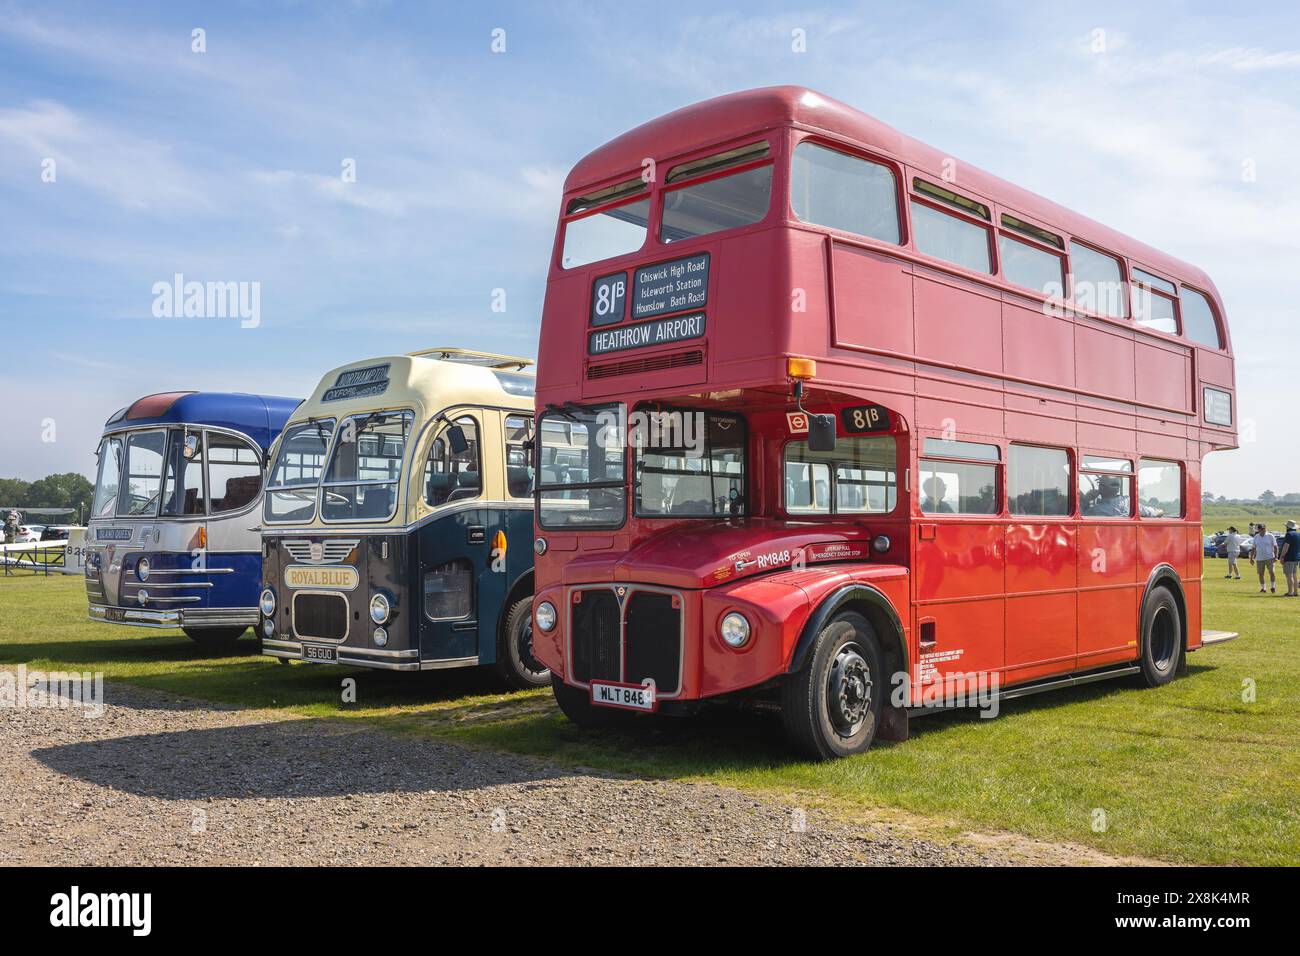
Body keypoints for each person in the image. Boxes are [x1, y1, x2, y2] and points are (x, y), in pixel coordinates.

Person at [1251, 523, 1278, 594]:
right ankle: (1263, 588)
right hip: (1259, 558)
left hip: (1270, 557)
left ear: (1265, 528)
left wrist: (1276, 556)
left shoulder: (1270, 536)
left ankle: (1273, 587)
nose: (1262, 530)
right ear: (1258, 529)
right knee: (1260, 574)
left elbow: (1275, 546)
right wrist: (1251, 558)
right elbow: (1253, 548)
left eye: (1263, 528)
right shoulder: (1256, 537)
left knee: (1272, 572)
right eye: (1260, 529)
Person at [1280, 520, 1300, 598]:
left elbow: (1286, 546)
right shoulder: (1298, 534)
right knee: (1294, 575)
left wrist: (1282, 556)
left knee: (1289, 575)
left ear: (1288, 527)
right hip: (1296, 558)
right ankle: (1295, 592)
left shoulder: (1289, 534)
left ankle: (1290, 592)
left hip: (1289, 558)